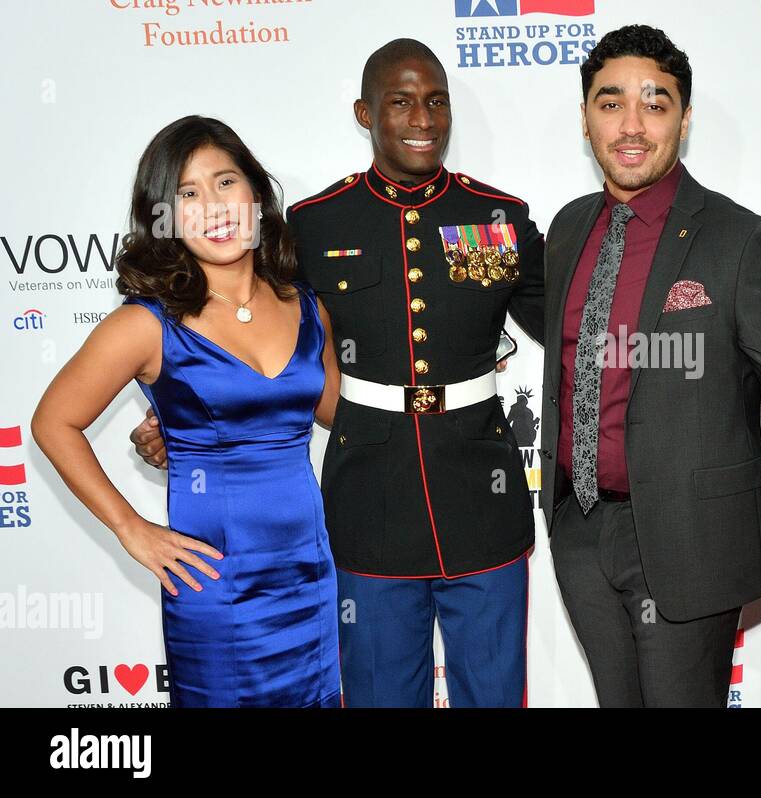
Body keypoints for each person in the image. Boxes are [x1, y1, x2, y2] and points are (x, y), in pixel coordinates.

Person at [130, 39, 546, 708]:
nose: (423, 119)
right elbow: (252, 326)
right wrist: (183, 407)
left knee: (495, 694)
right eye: (401, 102)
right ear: (364, 112)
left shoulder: (496, 217)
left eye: (436, 102)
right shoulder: (317, 225)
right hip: (367, 506)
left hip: (482, 500)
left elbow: (569, 327)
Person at [538, 25, 761, 708]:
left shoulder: (741, 240)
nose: (631, 125)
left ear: (684, 119)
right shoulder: (568, 228)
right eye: (610, 104)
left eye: (655, 104)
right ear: (584, 118)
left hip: (688, 541)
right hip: (578, 532)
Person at [32, 116, 341, 707]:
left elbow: (336, 413)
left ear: (256, 192)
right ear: (164, 218)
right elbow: (53, 421)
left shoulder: (307, 308)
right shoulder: (146, 324)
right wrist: (132, 530)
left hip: (312, 576)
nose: (214, 207)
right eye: (188, 195)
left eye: (226, 183)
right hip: (214, 588)